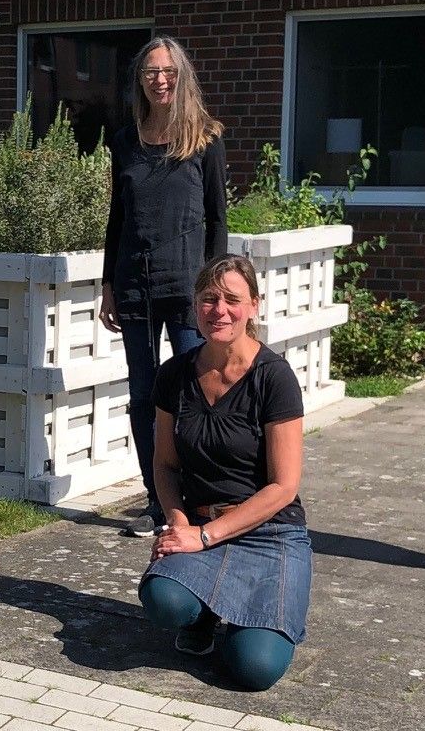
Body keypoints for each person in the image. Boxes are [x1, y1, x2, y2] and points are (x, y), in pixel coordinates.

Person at [137, 255, 311, 691]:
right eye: (208, 299)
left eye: (232, 299)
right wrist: (178, 523)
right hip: (198, 525)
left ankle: (253, 621)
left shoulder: (274, 377)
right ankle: (205, 613)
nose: (220, 310)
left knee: (253, 670)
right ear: (195, 306)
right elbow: (164, 464)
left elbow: (284, 486)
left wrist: (205, 537)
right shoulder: (174, 374)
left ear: (254, 305)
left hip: (269, 533)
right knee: (162, 601)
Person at [98, 36, 229, 537]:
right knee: (142, 395)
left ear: (182, 76)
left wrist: (215, 291)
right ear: (141, 80)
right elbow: (118, 218)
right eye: (151, 71)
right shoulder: (126, 141)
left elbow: (218, 218)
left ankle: (199, 498)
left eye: (168, 70)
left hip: (188, 289)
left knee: (196, 394)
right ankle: (159, 502)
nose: (160, 79)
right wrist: (109, 284)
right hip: (135, 286)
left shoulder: (205, 139)